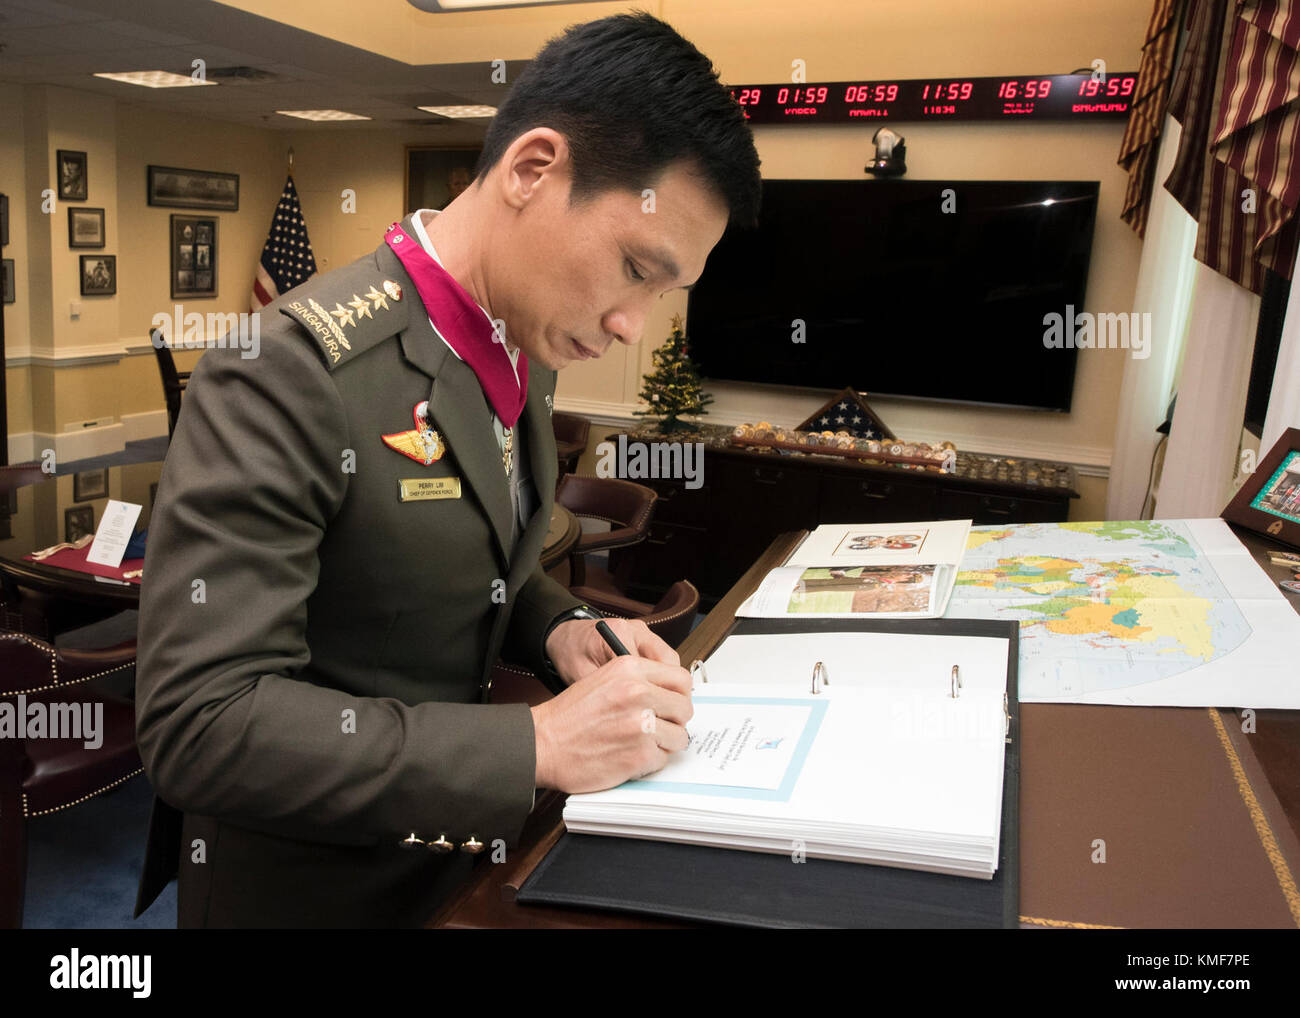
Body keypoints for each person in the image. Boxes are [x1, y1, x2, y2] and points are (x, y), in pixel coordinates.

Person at [133, 11, 761, 928]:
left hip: (460, 868)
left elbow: (461, 564)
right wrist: (533, 742)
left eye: (661, 293)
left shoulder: (525, 346)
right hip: (313, 891)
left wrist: (559, 630)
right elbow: (202, 724)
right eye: (634, 268)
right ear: (532, 169)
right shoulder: (290, 370)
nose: (634, 323)